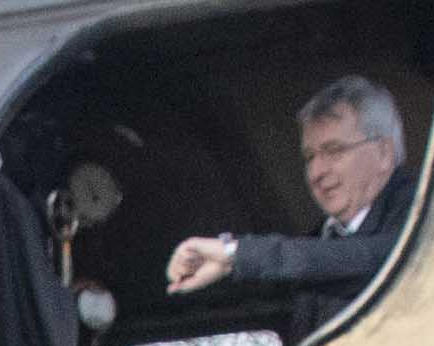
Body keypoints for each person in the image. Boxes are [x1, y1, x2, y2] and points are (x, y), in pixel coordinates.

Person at [164, 78, 418, 302]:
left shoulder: (424, 213)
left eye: (334, 150)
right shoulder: (321, 239)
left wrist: (234, 253)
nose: (316, 172)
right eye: (309, 157)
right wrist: (229, 262)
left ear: (384, 153)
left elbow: (373, 261)